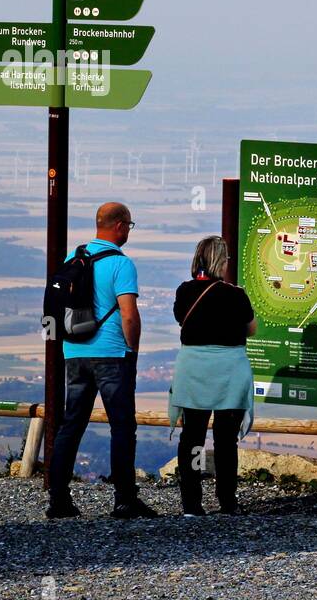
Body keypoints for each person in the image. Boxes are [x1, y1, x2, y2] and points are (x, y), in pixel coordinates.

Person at [48, 202, 157, 519]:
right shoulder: (121, 265)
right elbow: (129, 315)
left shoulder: (74, 258)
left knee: (72, 425)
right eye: (129, 225)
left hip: (75, 352)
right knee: (122, 427)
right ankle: (124, 500)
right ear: (121, 225)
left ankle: (58, 499)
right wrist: (132, 350)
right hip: (111, 354)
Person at [169, 235, 257, 516]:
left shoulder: (184, 291)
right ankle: (227, 501)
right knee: (225, 438)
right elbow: (251, 329)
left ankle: (192, 503)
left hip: (194, 370)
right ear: (221, 261)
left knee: (192, 436)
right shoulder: (235, 294)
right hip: (229, 371)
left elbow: (180, 318)